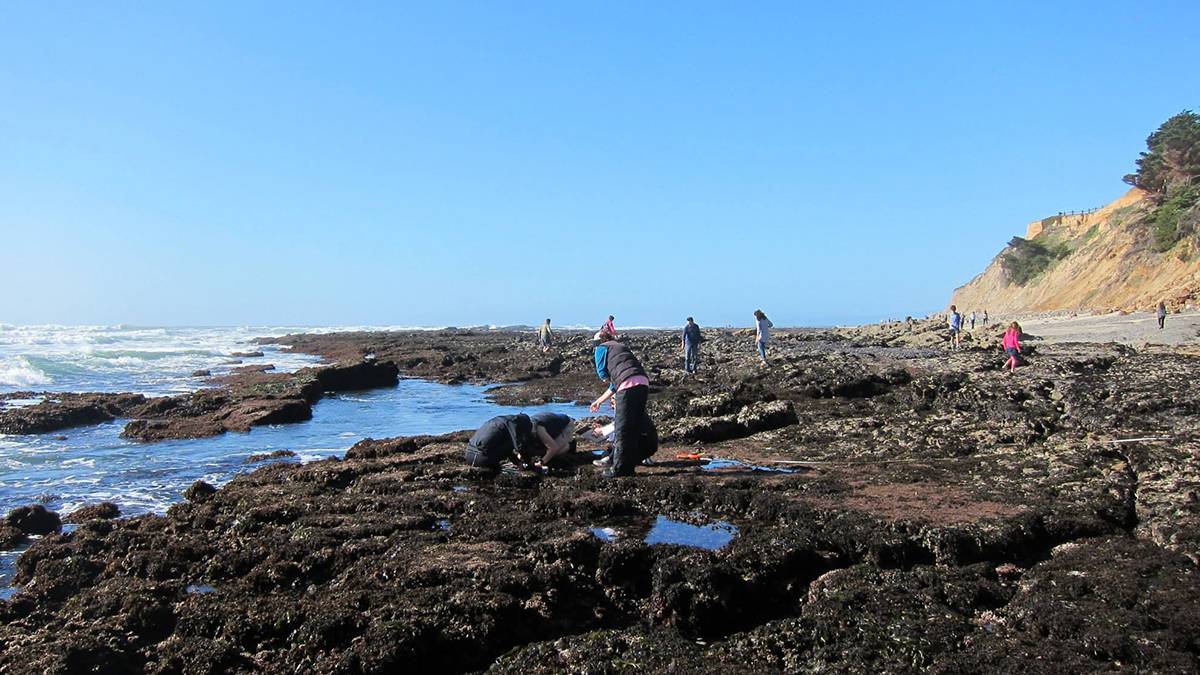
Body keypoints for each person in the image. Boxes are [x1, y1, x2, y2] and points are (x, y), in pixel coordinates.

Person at [590, 328, 656, 477]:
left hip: (627, 385)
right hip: (643, 382)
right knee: (636, 424)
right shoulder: (620, 346)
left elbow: (602, 373)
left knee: (622, 429)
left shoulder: (601, 348)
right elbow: (617, 383)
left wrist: (606, 376)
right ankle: (636, 457)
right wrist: (599, 401)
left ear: (598, 342)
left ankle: (620, 469)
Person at [463, 414, 539, 471]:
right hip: (482, 459)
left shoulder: (499, 420)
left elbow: (507, 450)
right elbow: (519, 446)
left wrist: (517, 462)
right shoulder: (512, 425)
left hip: (468, 455)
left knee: (506, 443)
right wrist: (529, 463)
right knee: (511, 443)